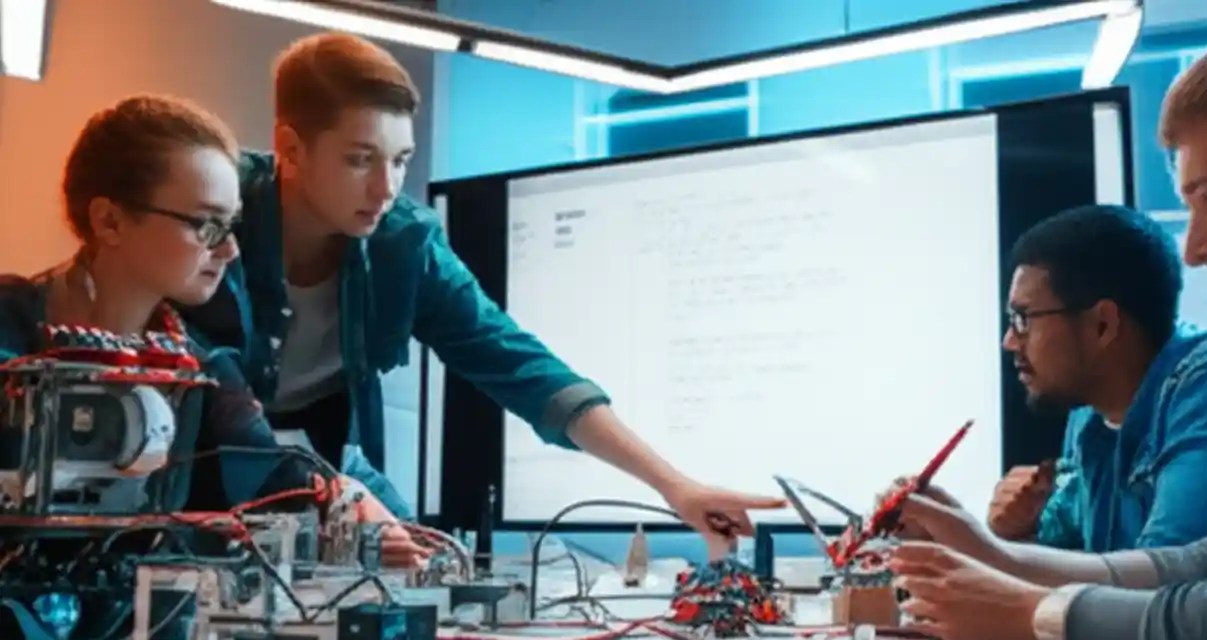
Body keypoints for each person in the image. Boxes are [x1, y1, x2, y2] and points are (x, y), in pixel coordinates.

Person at [176, 32, 783, 546]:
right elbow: (222, 402)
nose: (386, 188)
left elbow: (522, 366)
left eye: (401, 159)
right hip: (191, 465)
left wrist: (674, 486)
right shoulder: (213, 217)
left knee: (420, 571)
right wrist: (342, 501)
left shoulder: (403, 245)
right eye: (360, 159)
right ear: (290, 148)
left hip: (328, 457)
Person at [885, 13, 1207, 640]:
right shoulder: (1086, 425)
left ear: (1102, 324)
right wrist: (985, 547)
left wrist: (1031, 613)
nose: (1194, 248)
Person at [0, 94, 421, 567]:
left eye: (230, 225)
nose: (229, 250)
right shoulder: (11, 325)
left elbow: (274, 474)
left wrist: (343, 496)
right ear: (109, 221)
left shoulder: (200, 366)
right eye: (205, 225)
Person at [990, 204, 1207, 551]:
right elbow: (1070, 544)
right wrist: (1018, 529)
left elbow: (1169, 573)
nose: (1009, 341)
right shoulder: (1089, 411)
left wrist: (984, 552)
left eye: (1023, 319)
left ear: (1103, 325)